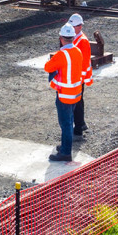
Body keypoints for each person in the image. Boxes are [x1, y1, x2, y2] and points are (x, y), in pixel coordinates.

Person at [43, 24, 84, 162]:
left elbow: (47, 67)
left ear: (61, 38)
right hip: (75, 94)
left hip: (64, 95)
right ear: (73, 37)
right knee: (69, 121)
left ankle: (66, 152)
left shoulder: (61, 55)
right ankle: (65, 145)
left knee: (65, 123)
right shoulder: (77, 51)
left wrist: (52, 61)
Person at [68, 14, 92, 140]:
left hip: (77, 78)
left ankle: (78, 130)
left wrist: (79, 79)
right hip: (75, 76)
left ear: (80, 26)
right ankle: (81, 124)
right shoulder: (74, 37)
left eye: (73, 27)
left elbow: (84, 62)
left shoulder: (82, 41)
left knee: (76, 103)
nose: (71, 29)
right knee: (78, 101)